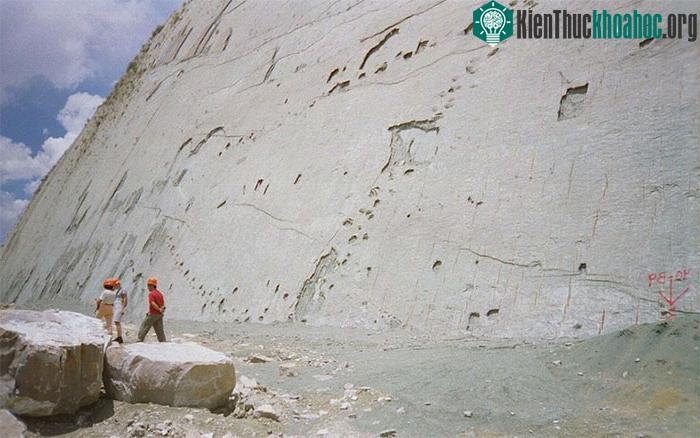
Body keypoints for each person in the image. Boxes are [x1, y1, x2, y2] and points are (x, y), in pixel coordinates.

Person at [137, 277, 166, 342]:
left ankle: (139, 340)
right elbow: (163, 305)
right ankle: (163, 342)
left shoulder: (151, 294)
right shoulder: (160, 294)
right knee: (159, 330)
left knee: (144, 326)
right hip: (159, 315)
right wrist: (161, 310)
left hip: (153, 314)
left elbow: (152, 303)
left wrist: (158, 309)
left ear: (151, 286)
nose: (148, 287)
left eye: (148, 285)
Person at [112, 278, 128, 344]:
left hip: (119, 307)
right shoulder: (117, 291)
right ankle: (119, 336)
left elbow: (125, 299)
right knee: (116, 322)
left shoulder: (123, 290)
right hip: (116, 307)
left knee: (117, 322)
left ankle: (120, 337)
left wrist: (123, 308)